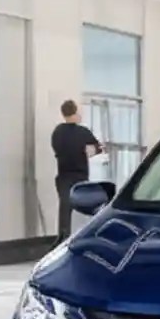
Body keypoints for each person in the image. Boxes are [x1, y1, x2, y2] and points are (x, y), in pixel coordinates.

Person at [50, 99, 103, 243]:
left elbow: (56, 149)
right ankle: (85, 236)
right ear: (75, 112)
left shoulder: (58, 132)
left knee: (65, 208)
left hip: (64, 174)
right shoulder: (82, 132)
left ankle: (62, 237)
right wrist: (88, 152)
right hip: (80, 175)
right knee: (84, 207)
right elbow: (98, 147)